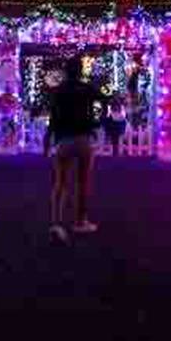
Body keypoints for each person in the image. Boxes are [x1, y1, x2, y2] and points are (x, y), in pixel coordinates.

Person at [43, 56, 105, 241]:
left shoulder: (58, 91)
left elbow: (53, 118)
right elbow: (104, 100)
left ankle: (56, 224)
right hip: (84, 139)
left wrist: (48, 140)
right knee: (82, 182)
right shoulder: (87, 89)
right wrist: (95, 121)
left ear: (65, 71)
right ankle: (80, 221)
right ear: (80, 71)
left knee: (60, 183)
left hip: (63, 140)